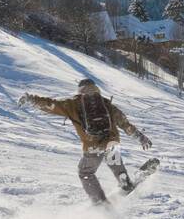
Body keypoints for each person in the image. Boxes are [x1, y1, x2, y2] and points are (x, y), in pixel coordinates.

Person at [20, 78, 152, 204]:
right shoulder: (106, 103)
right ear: (96, 88)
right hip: (112, 141)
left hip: (92, 144)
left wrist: (31, 99)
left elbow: (51, 105)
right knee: (114, 160)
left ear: (80, 90)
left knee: (86, 172)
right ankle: (124, 181)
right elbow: (124, 123)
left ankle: (100, 202)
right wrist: (140, 137)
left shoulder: (72, 104)